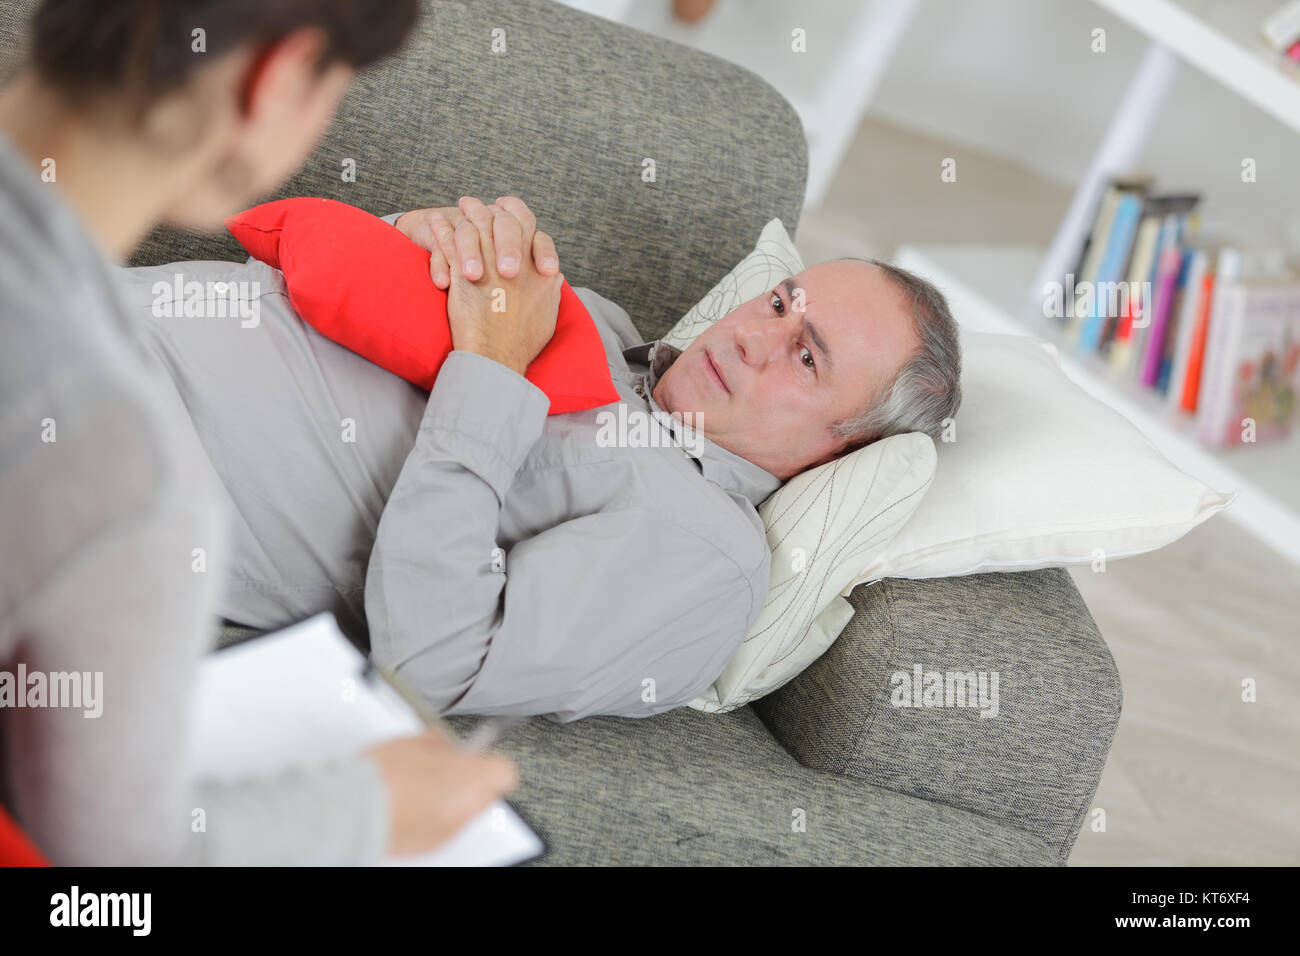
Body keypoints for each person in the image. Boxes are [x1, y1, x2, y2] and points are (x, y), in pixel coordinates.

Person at [0, 0, 547, 865]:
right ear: (278, 78)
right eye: (334, 91)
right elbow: (115, 866)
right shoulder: (118, 465)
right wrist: (374, 811)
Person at [115, 196, 963, 723]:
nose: (752, 337)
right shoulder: (595, 319)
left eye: (807, 358)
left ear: (840, 448)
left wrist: (489, 371)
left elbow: (433, 665)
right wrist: (414, 238)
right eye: (781, 303)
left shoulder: (708, 553)